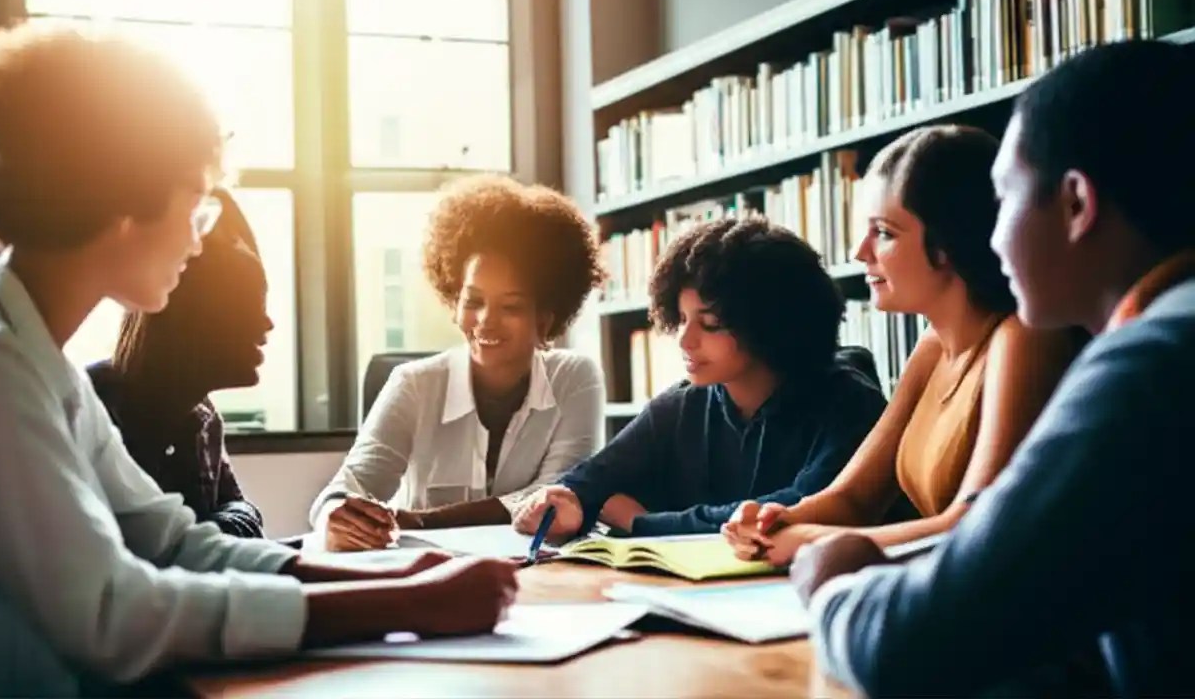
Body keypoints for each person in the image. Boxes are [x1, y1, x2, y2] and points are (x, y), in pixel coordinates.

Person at [0, 23, 515, 691]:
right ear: (125, 202)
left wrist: (400, 576)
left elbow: (174, 543)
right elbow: (114, 615)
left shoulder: (37, 362)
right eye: (199, 206)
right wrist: (407, 606)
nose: (199, 243)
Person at [797, 40, 1195, 697]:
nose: (991, 234)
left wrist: (833, 582)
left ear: (1076, 204)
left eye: (1004, 198)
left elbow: (910, 646)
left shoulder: (1153, 363)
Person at [720, 125, 1084, 566]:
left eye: (884, 233)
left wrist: (813, 541)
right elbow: (855, 498)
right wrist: (774, 521)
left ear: (949, 242)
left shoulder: (1023, 339)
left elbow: (976, 525)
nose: (860, 252)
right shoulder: (933, 345)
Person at [512, 218, 888, 541]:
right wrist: (562, 503)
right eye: (681, 318)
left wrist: (640, 523)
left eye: (711, 324)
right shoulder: (680, 405)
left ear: (772, 325)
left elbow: (798, 509)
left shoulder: (850, 403)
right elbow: (589, 482)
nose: (684, 339)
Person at [310, 175, 607, 551]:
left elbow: (557, 495)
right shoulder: (413, 384)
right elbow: (343, 491)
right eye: (473, 301)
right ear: (454, 304)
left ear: (544, 319)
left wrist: (418, 520)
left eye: (511, 307)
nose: (486, 320)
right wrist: (335, 517)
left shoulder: (576, 379)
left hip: (536, 575)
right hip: (425, 578)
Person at [88, 188, 269, 538]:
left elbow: (242, 511)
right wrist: (210, 532)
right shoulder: (100, 408)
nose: (267, 324)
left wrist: (207, 531)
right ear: (193, 320)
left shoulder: (201, 416)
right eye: (248, 307)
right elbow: (145, 546)